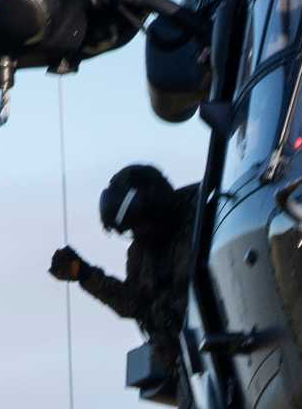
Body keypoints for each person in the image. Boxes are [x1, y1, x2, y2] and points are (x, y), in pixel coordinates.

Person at [50, 163, 198, 385]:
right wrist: (84, 273)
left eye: (138, 224)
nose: (137, 233)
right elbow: (134, 302)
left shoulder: (204, 212)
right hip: (188, 368)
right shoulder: (141, 250)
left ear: (153, 206)